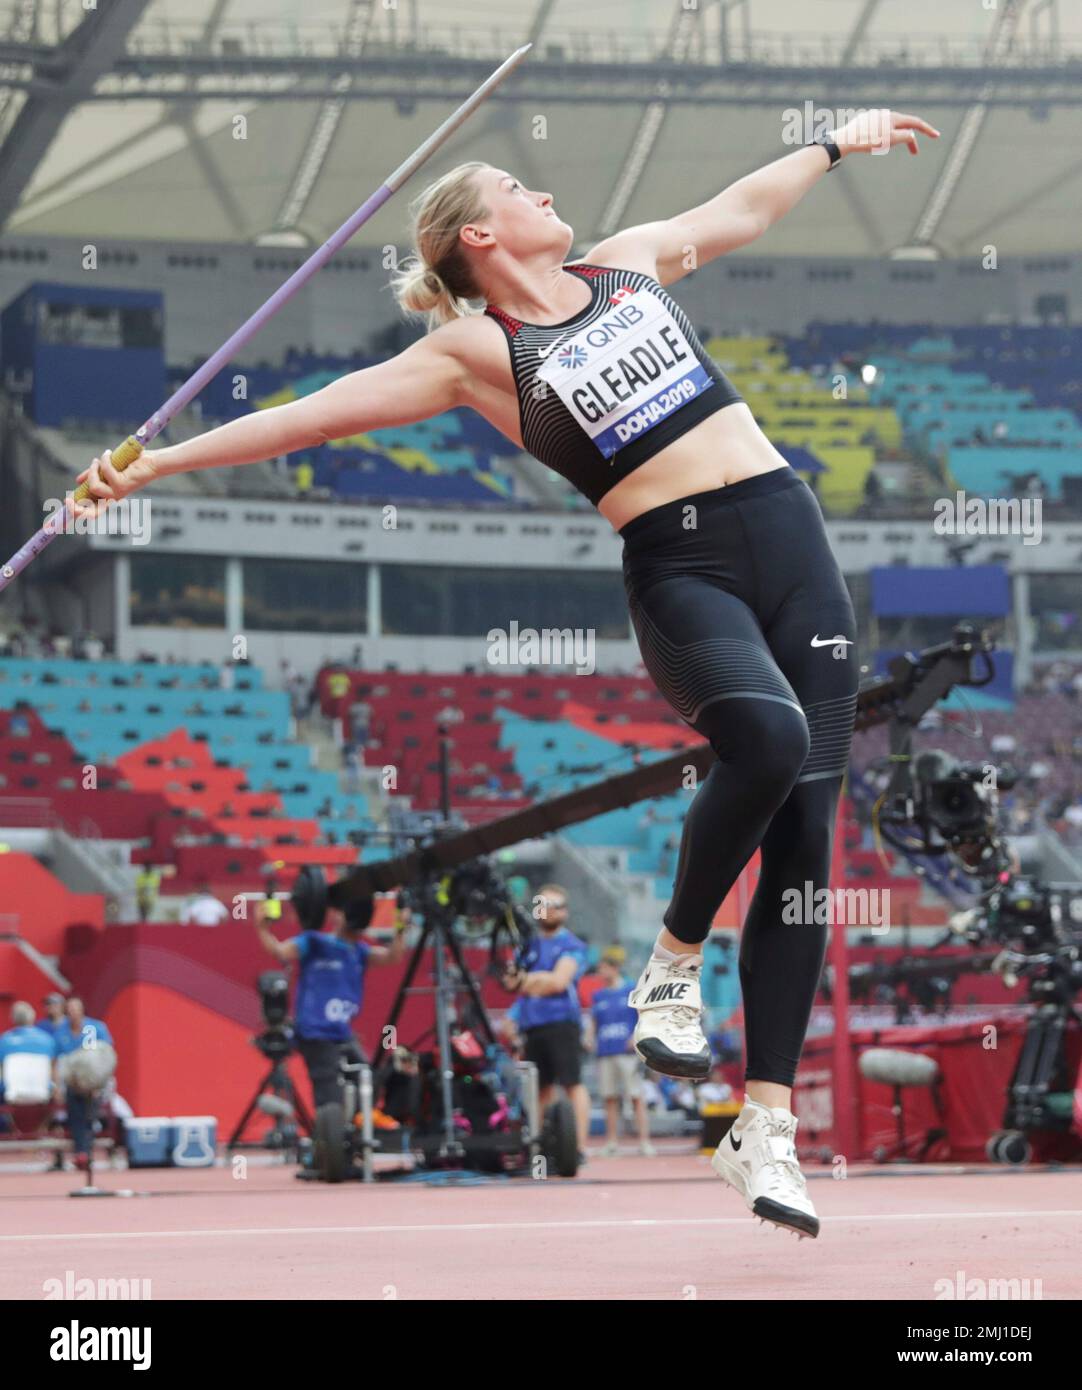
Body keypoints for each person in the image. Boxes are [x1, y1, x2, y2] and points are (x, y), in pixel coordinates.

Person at [69, 109, 939, 1237]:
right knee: (765, 743)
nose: (544, 195)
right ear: (479, 234)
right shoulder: (472, 353)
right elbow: (307, 421)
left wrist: (831, 144)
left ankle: (761, 1126)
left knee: (807, 834)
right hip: (681, 566)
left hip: (792, 540)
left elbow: (739, 210)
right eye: (520, 189)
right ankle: (670, 968)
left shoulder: (624, 266)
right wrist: (158, 463)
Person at [254, 896, 407, 1110]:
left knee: (369, 1079)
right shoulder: (314, 942)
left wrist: (400, 928)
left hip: (342, 1033)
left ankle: (356, 1131)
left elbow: (393, 957)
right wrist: (262, 928)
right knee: (330, 1096)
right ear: (336, 916)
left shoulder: (360, 951)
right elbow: (279, 951)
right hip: (315, 1033)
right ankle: (331, 1137)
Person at [501, 884, 590, 1163]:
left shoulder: (572, 946)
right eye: (545, 905)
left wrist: (529, 982)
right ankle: (536, 1146)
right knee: (538, 1088)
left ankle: (578, 1148)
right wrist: (535, 984)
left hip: (562, 1023)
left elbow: (558, 982)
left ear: (564, 912)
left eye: (556, 905)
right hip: (532, 1026)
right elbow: (509, 981)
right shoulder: (526, 946)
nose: (550, 910)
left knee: (572, 1083)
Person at [585, 948, 654, 1158]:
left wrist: (636, 1036)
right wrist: (589, 1036)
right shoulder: (598, 996)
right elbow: (593, 1021)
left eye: (604, 968)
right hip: (605, 1052)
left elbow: (645, 1016)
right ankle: (612, 1142)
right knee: (609, 1098)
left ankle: (644, 1142)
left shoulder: (631, 990)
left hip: (627, 1054)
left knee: (635, 1097)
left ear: (614, 968)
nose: (601, 972)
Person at [53, 998, 115, 1170]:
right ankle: (82, 1153)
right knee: (75, 1111)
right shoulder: (61, 1032)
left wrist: (98, 1083)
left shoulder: (96, 1028)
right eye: (69, 1009)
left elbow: (107, 1057)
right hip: (73, 1083)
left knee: (90, 1109)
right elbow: (57, 1062)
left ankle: (85, 1150)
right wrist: (58, 1086)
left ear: (82, 1010)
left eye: (76, 1008)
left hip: (96, 1081)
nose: (73, 1012)